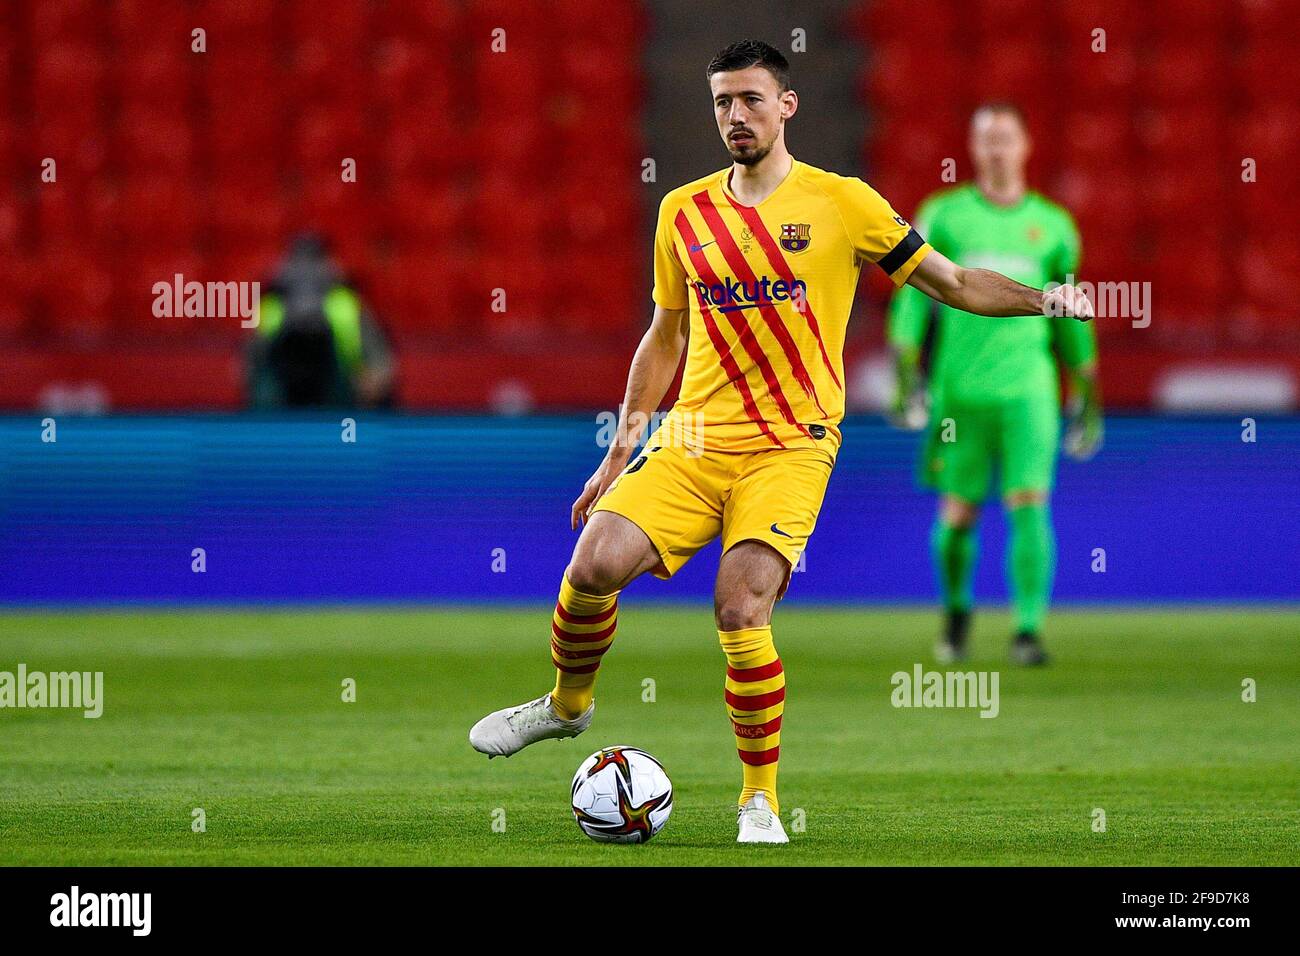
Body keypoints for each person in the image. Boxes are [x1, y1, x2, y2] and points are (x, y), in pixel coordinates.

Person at [469, 42, 1093, 843]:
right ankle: (565, 707)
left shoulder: (844, 203)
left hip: (792, 446)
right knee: (591, 562)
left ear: (787, 106)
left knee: (740, 604)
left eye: (752, 100)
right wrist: (617, 452)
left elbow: (954, 283)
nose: (736, 116)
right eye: (724, 101)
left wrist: (1047, 299)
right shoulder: (683, 211)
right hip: (693, 440)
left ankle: (758, 800)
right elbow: (663, 337)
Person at [887, 103, 1102, 667]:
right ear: (972, 148)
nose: (995, 149)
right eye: (984, 139)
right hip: (959, 392)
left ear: (1026, 144)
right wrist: (906, 368)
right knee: (957, 516)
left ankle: (1028, 630)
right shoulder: (944, 216)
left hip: (1030, 391)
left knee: (1030, 503)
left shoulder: (1054, 225)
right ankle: (957, 611)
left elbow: (1073, 313)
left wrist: (1085, 387)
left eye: (1005, 137)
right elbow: (914, 298)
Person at [246, 234, 394, 409]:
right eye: (299, 260)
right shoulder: (272, 306)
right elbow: (249, 365)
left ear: (329, 263)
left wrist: (372, 379)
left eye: (314, 259)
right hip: (283, 393)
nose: (306, 269)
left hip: (336, 390)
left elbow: (381, 364)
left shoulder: (345, 304)